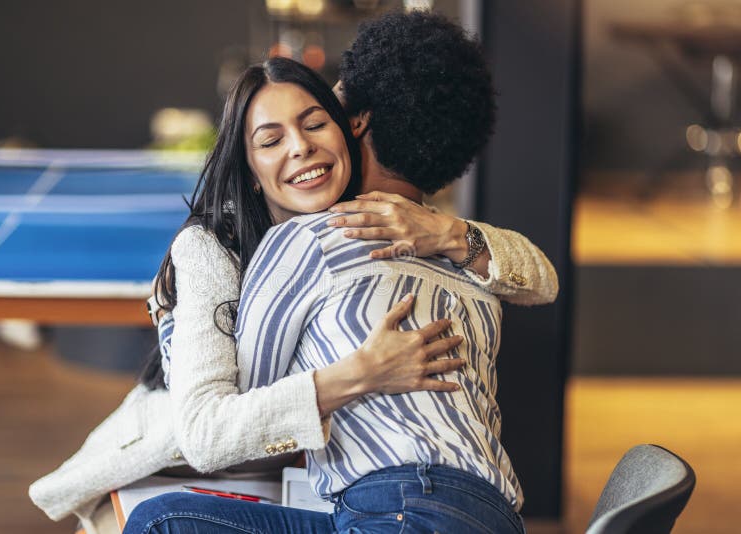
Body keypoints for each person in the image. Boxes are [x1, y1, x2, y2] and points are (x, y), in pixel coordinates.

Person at [29, 55, 552, 533]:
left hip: (381, 498)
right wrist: (360, 374)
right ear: (251, 171)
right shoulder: (220, 246)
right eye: (270, 138)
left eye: (314, 123)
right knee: (157, 519)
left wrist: (452, 234)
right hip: (220, 449)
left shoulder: (399, 232)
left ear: (350, 133)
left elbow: (542, 278)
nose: (300, 146)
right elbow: (214, 429)